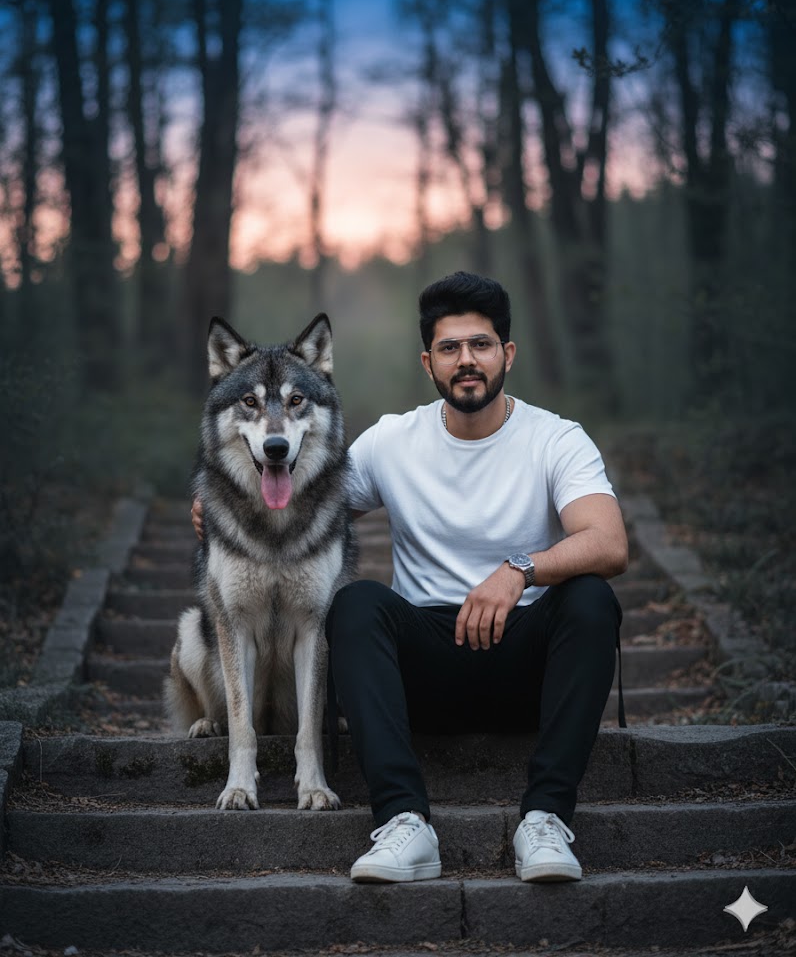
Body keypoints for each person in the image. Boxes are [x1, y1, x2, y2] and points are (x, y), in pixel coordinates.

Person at [191, 271, 628, 885]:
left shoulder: (556, 439)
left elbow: (609, 543)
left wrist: (519, 571)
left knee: (590, 599)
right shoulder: (393, 440)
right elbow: (304, 494)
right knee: (355, 604)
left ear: (508, 354)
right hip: (423, 669)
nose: (466, 360)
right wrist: (219, 505)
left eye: (480, 344)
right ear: (429, 363)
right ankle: (404, 822)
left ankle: (546, 819)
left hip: (527, 662)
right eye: (450, 348)